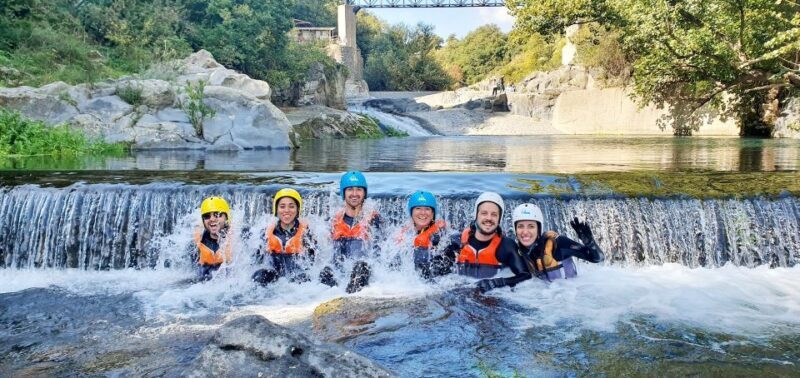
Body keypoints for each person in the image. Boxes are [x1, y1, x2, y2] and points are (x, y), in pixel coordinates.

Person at [441, 192, 532, 292]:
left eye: (494, 215)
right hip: (459, 296)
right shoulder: (456, 242)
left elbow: (525, 276)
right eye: (484, 213)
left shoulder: (506, 246)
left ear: (499, 219)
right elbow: (440, 274)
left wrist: (496, 282)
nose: (489, 218)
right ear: (476, 215)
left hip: (494, 298)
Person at [322, 171, 384, 293]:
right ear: (344, 193)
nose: (354, 194)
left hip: (364, 275)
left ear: (364, 193)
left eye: (359, 190)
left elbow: (383, 253)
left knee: (360, 267)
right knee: (326, 271)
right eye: (350, 189)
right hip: (339, 274)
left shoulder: (375, 220)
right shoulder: (332, 221)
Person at [511, 203, 604, 281]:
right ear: (515, 229)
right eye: (520, 226)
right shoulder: (518, 252)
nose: (525, 232)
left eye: (531, 226)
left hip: (572, 297)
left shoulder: (558, 244)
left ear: (539, 229)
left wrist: (590, 243)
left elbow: (597, 258)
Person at [252, 188, 318, 286]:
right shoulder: (265, 232)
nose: (286, 210)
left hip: (298, 277)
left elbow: (314, 262)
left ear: (297, 209)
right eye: (282, 207)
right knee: (259, 275)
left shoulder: (306, 233)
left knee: (302, 277)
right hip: (274, 277)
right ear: (276, 210)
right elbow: (256, 260)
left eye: (291, 207)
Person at [394, 190, 448, 279]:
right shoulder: (404, 232)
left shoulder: (440, 232)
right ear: (411, 212)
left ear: (433, 213)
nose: (423, 213)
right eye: (418, 208)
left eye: (427, 209)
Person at [193, 196, 233, 281]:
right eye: (207, 216)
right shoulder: (199, 239)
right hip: (204, 281)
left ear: (226, 217)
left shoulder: (241, 236)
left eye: (217, 214)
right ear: (203, 221)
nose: (212, 219)